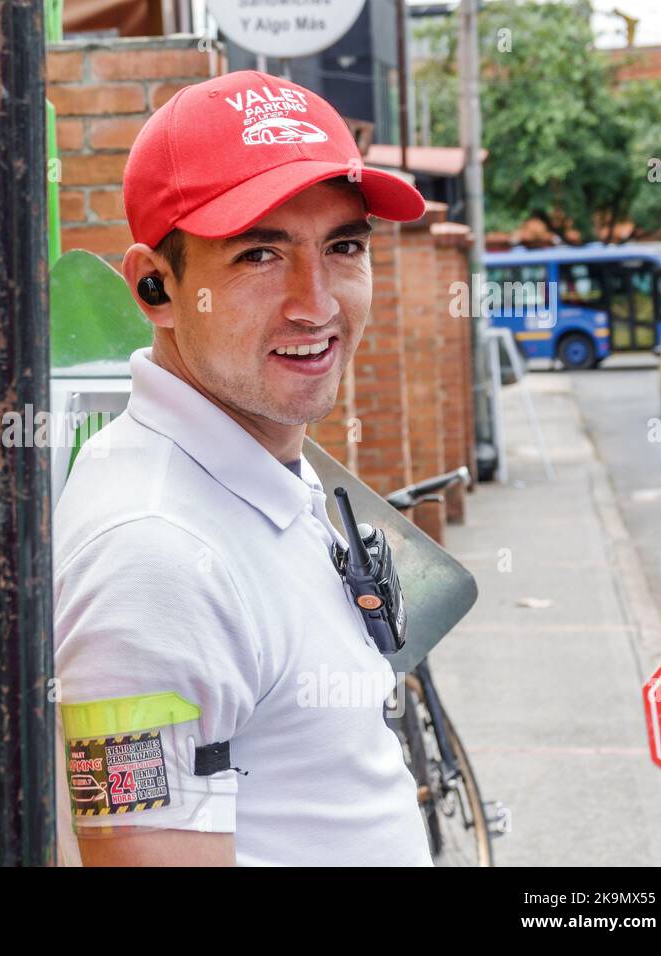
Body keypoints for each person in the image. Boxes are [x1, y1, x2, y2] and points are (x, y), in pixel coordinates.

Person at [53, 71, 433, 866]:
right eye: (260, 254)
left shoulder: (249, 468)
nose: (316, 304)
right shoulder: (152, 553)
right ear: (156, 287)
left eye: (344, 247)